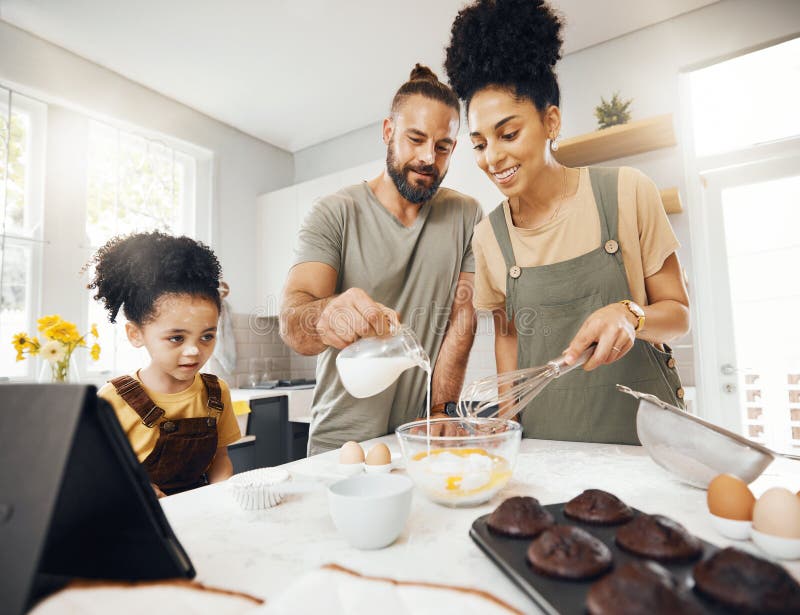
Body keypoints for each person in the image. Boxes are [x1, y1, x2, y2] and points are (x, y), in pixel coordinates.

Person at [444, 0, 690, 444]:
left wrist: (629, 314)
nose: (492, 158)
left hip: (645, 442)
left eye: (509, 133)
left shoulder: (628, 192)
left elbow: (678, 316)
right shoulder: (488, 237)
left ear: (551, 121)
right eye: (479, 144)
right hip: (547, 445)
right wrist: (506, 422)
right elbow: (508, 338)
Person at [281, 64, 483, 455]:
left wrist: (442, 409)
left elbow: (462, 318)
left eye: (442, 146)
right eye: (416, 139)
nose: (428, 158)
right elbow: (293, 323)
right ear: (388, 131)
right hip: (341, 444)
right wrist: (324, 317)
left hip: (417, 439)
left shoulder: (467, 215)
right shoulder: (334, 212)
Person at [89, 231, 241, 496]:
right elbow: (97, 477)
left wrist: (221, 499)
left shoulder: (217, 393)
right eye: (176, 338)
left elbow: (220, 460)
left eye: (207, 336)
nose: (194, 351)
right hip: (140, 521)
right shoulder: (111, 401)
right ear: (136, 334)